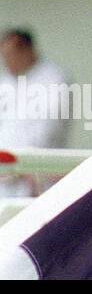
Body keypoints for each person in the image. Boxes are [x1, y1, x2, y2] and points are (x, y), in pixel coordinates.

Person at [0, 30, 71, 198]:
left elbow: (48, 129)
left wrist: (22, 165)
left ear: (26, 50)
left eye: (10, 55)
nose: (7, 62)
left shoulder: (55, 79)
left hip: (36, 173)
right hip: (5, 174)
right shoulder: (7, 81)